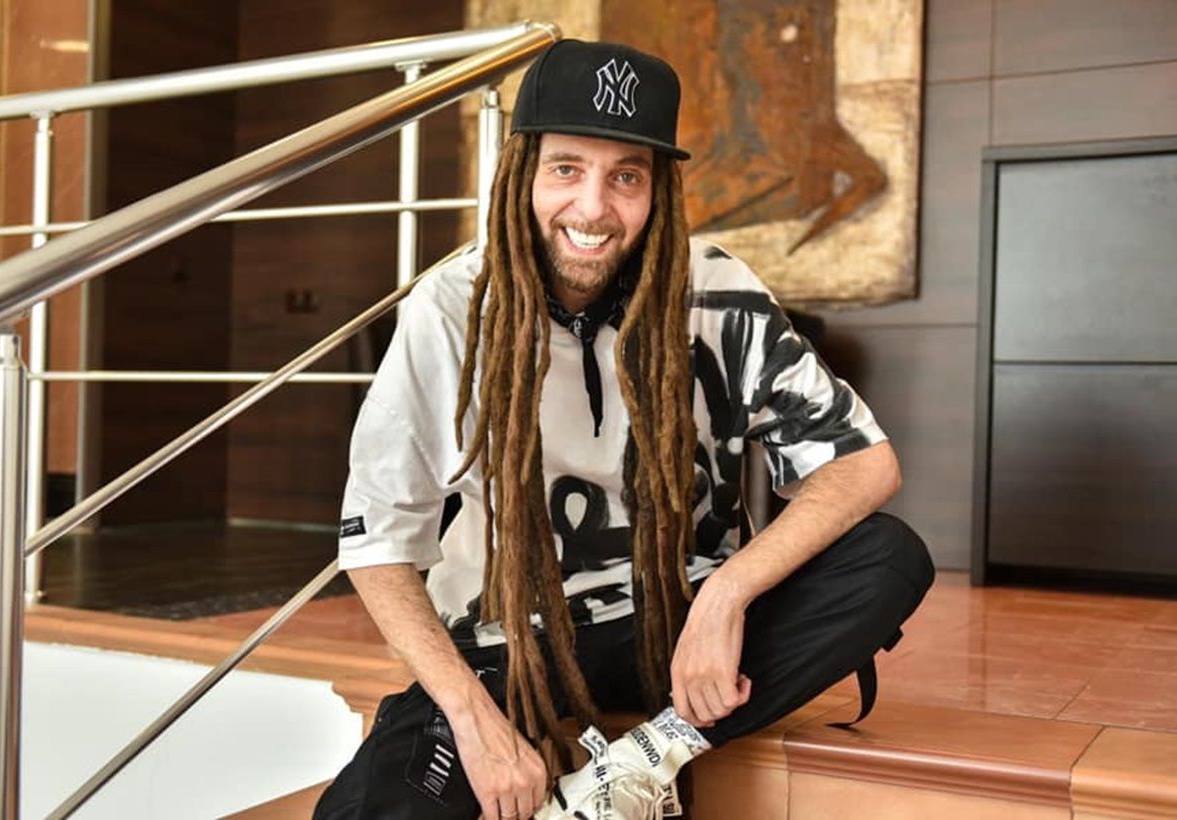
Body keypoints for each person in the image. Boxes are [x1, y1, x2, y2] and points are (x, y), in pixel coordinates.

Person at [314, 39, 934, 820]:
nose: (593, 208)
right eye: (567, 169)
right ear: (521, 173)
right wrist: (473, 718)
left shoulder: (718, 292)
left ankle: (640, 766)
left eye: (626, 177)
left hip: (678, 627)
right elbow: (378, 544)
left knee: (886, 558)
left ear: (658, 190)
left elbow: (865, 464)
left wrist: (727, 596)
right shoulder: (449, 310)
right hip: (510, 645)